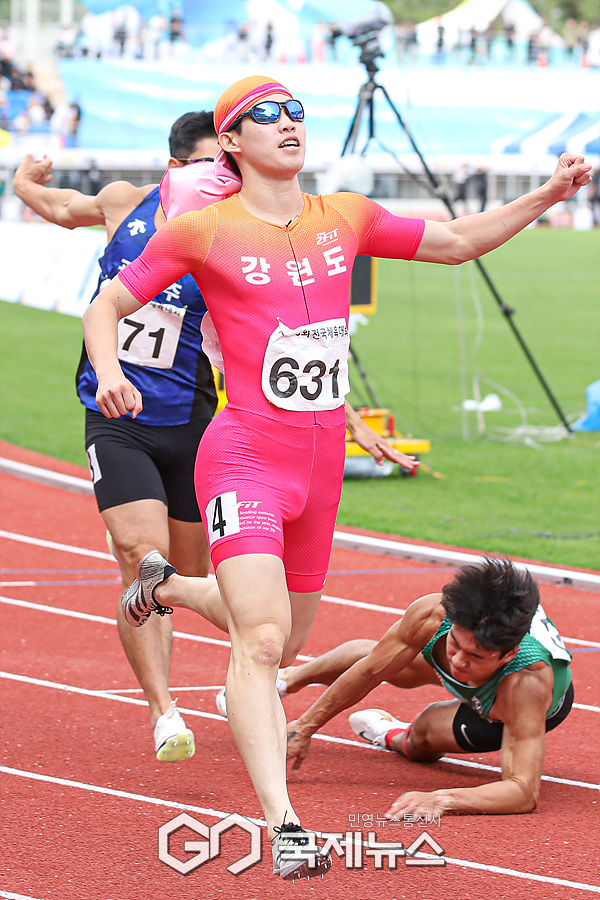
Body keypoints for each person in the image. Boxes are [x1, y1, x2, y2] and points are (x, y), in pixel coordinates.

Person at [79, 74, 590, 879]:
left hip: (320, 472)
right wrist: (109, 370)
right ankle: (284, 823)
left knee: (292, 628)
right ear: (231, 143)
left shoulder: (344, 215)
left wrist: (548, 193)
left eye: (296, 112)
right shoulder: (202, 231)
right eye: (265, 116)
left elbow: (455, 241)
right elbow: (104, 306)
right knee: (264, 640)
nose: (288, 123)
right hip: (244, 451)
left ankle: (168, 587)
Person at [13, 111, 221, 763]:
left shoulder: (232, 233)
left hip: (191, 419)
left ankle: (252, 670)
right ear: (178, 164)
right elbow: (62, 205)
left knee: (189, 574)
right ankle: (165, 711)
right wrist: (25, 186)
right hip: (116, 413)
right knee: (142, 559)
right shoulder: (125, 205)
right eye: (215, 164)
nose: (226, 177)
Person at [284, 558, 573, 818]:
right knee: (379, 659)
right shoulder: (433, 613)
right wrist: (305, 727)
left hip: (503, 704)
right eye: (456, 644)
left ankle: (392, 733)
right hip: (484, 671)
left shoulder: (526, 684)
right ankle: (287, 680)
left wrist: (443, 799)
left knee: (422, 740)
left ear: (507, 654)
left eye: (474, 655)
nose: (458, 661)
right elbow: (371, 670)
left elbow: (523, 791)